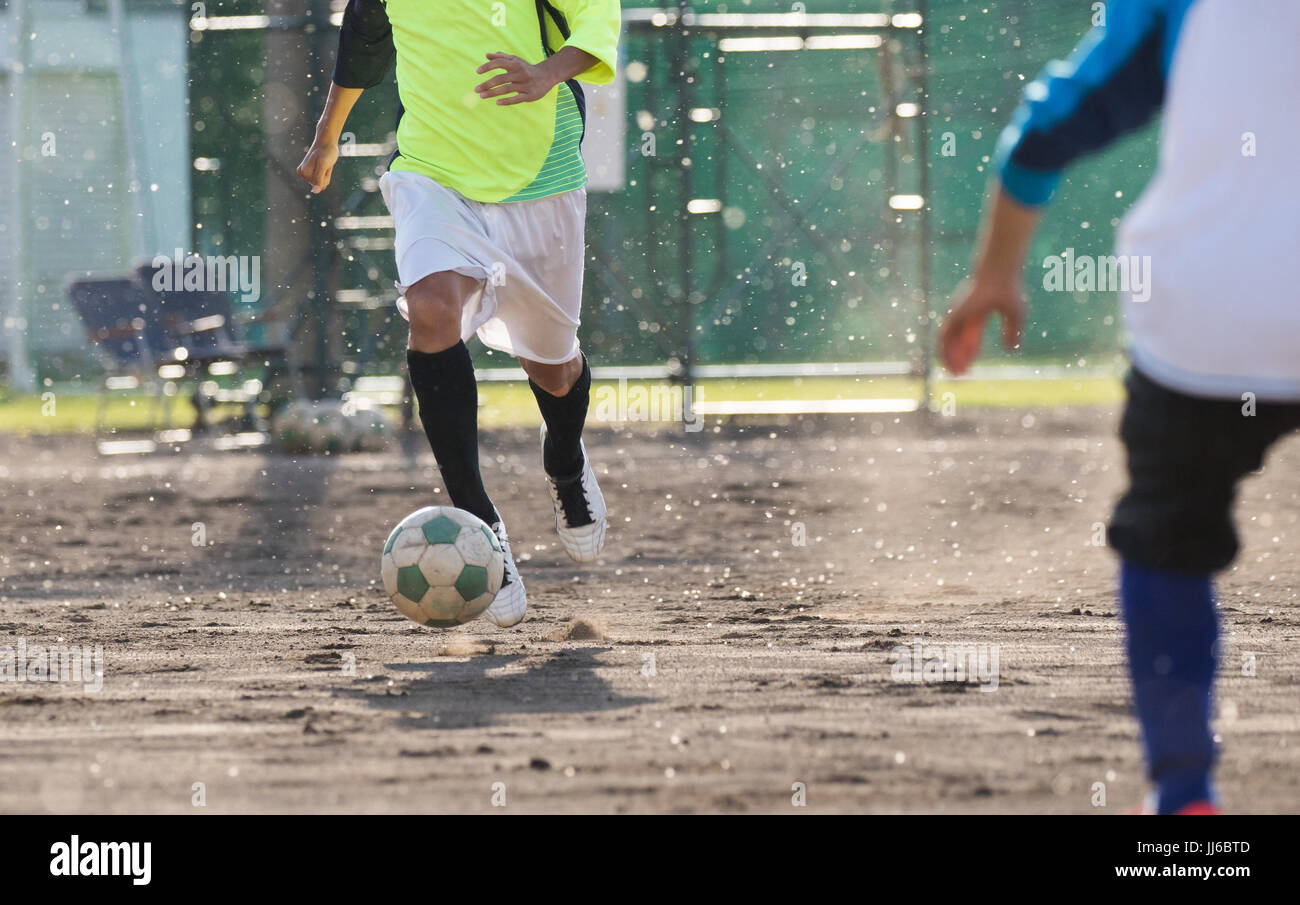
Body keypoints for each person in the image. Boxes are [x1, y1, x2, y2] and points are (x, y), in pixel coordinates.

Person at [939, 0, 1300, 813]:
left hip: (1213, 312)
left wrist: (997, 271)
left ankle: (1184, 792)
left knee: (1166, 537)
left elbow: (1049, 126)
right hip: (1214, 306)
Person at [297, 0, 622, 627]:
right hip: (432, 173)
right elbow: (364, 39)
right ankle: (483, 523)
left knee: (552, 369)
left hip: (541, 178)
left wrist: (550, 71)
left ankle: (565, 462)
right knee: (430, 308)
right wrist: (326, 136)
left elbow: (599, 16)